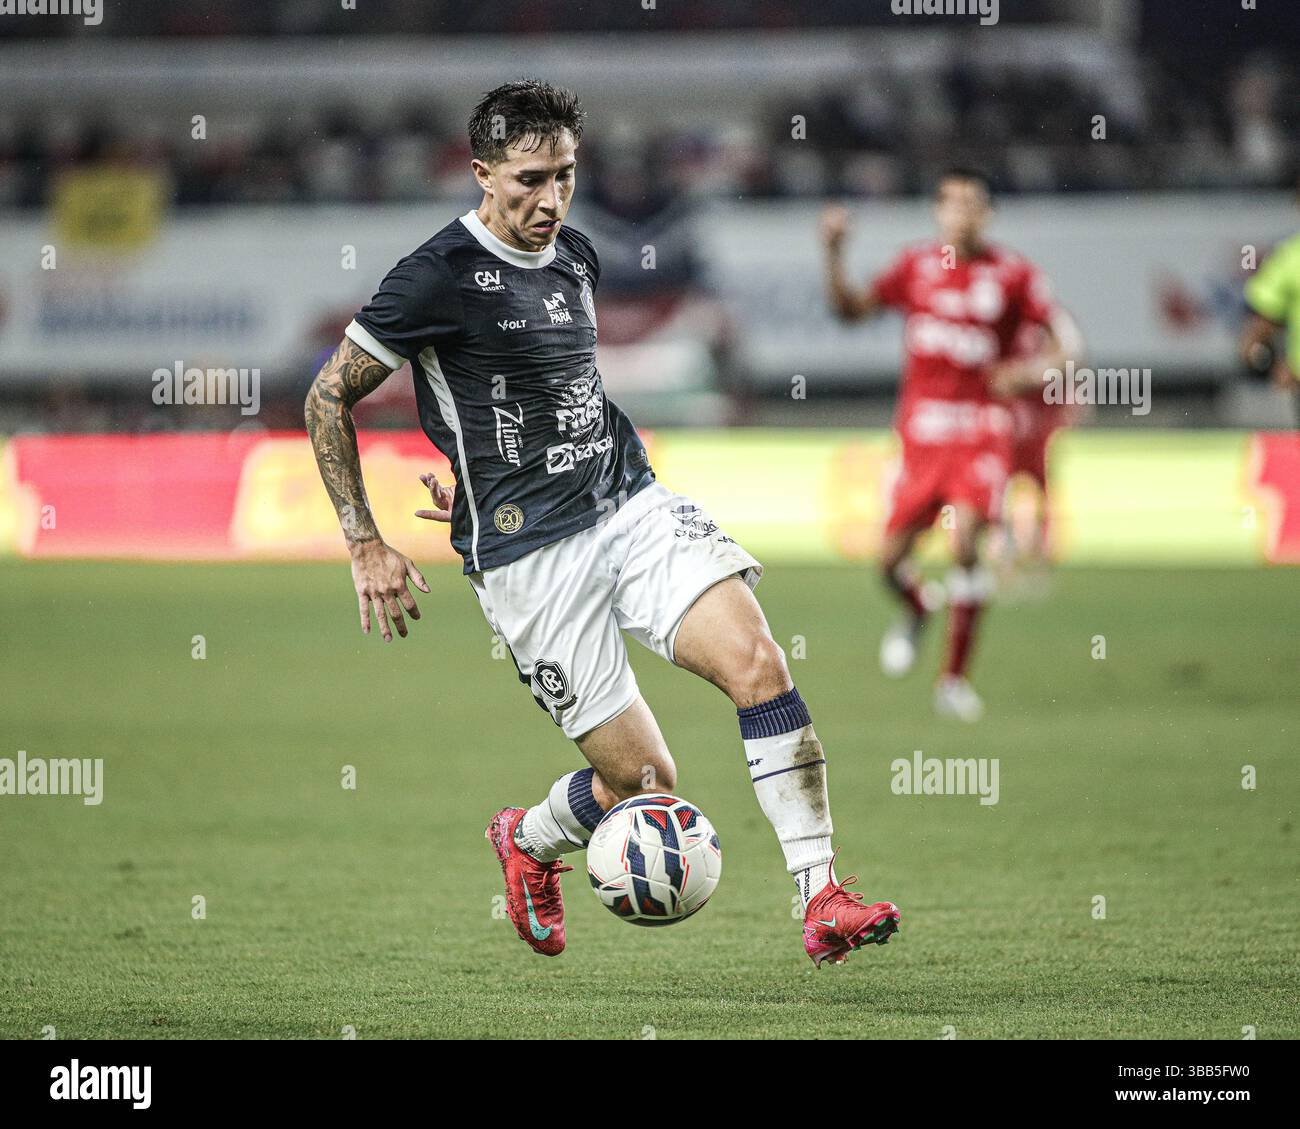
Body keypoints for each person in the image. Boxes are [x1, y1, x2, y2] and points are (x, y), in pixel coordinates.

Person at [304, 79, 899, 966]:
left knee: (759, 662)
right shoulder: (436, 276)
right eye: (529, 180)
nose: (550, 200)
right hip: (526, 559)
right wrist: (365, 540)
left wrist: (493, 465)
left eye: (566, 176)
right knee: (645, 784)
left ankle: (821, 897)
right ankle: (529, 841)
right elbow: (327, 397)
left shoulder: (577, 255)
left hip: (627, 502)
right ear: (481, 174)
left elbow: (561, 392)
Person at [821, 169, 1076, 720]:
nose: (961, 213)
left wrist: (1029, 371)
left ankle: (953, 681)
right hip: (920, 437)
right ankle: (917, 608)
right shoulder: (915, 267)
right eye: (951, 203)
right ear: (937, 211)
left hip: (983, 430)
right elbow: (849, 313)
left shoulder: (1013, 275)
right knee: (887, 563)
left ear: (988, 213)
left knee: (965, 542)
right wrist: (834, 254)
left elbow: (1067, 346)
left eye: (972, 204)